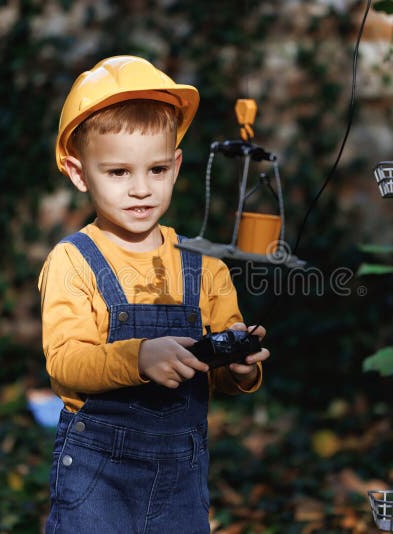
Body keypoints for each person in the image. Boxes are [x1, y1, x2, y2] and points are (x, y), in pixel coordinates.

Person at [38, 55, 270, 533]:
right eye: (119, 172)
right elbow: (65, 362)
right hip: (99, 478)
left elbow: (214, 376)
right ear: (79, 173)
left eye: (157, 169)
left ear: (176, 166)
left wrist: (240, 369)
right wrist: (139, 357)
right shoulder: (73, 261)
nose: (141, 189)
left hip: (180, 481)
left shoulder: (205, 267)